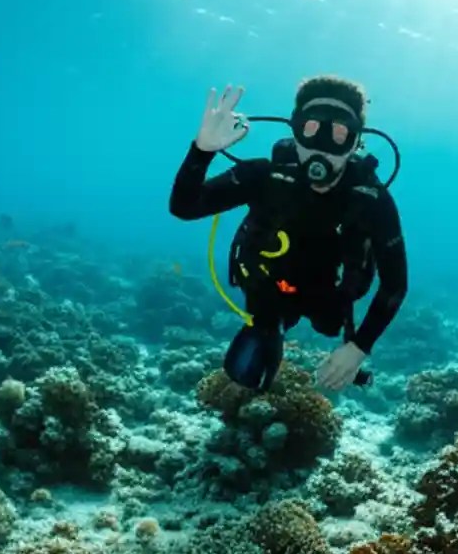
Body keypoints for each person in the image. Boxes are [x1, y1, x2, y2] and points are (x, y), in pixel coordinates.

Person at [169, 77, 408, 392]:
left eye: (338, 134)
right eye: (310, 129)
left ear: (355, 143)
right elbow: (185, 207)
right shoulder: (264, 177)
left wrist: (358, 347)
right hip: (270, 289)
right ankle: (271, 327)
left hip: (331, 294)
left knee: (329, 324)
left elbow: (395, 284)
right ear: (294, 132)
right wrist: (201, 151)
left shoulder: (371, 200)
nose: (321, 148)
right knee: (245, 374)